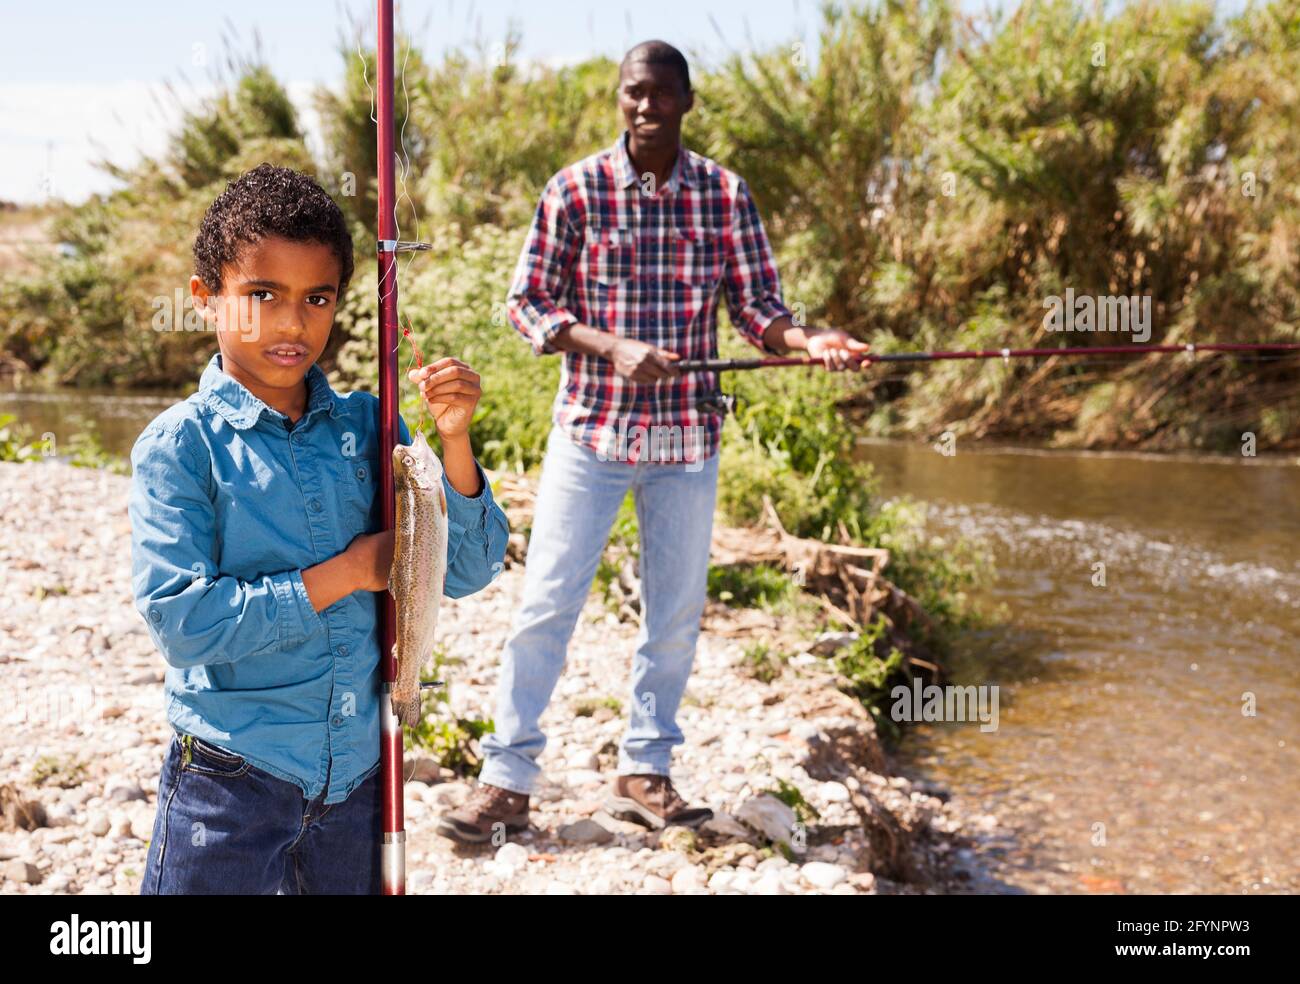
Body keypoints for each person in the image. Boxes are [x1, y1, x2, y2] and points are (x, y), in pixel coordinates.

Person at [436, 41, 867, 844]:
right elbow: (527, 304)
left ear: (686, 101)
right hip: (590, 435)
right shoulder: (575, 190)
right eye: (634, 93)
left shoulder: (725, 195)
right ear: (620, 99)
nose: (646, 107)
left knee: (673, 619)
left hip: (688, 443)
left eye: (662, 95)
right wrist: (610, 348)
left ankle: (645, 770)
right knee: (546, 607)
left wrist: (811, 341)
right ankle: (506, 782)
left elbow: (759, 307)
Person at [130, 163, 509, 893]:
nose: (291, 322)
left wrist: (455, 441)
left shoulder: (372, 426)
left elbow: (465, 570)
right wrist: (353, 573)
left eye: (317, 298)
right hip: (229, 781)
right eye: (262, 295)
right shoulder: (180, 447)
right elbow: (183, 623)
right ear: (206, 300)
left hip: (360, 775)